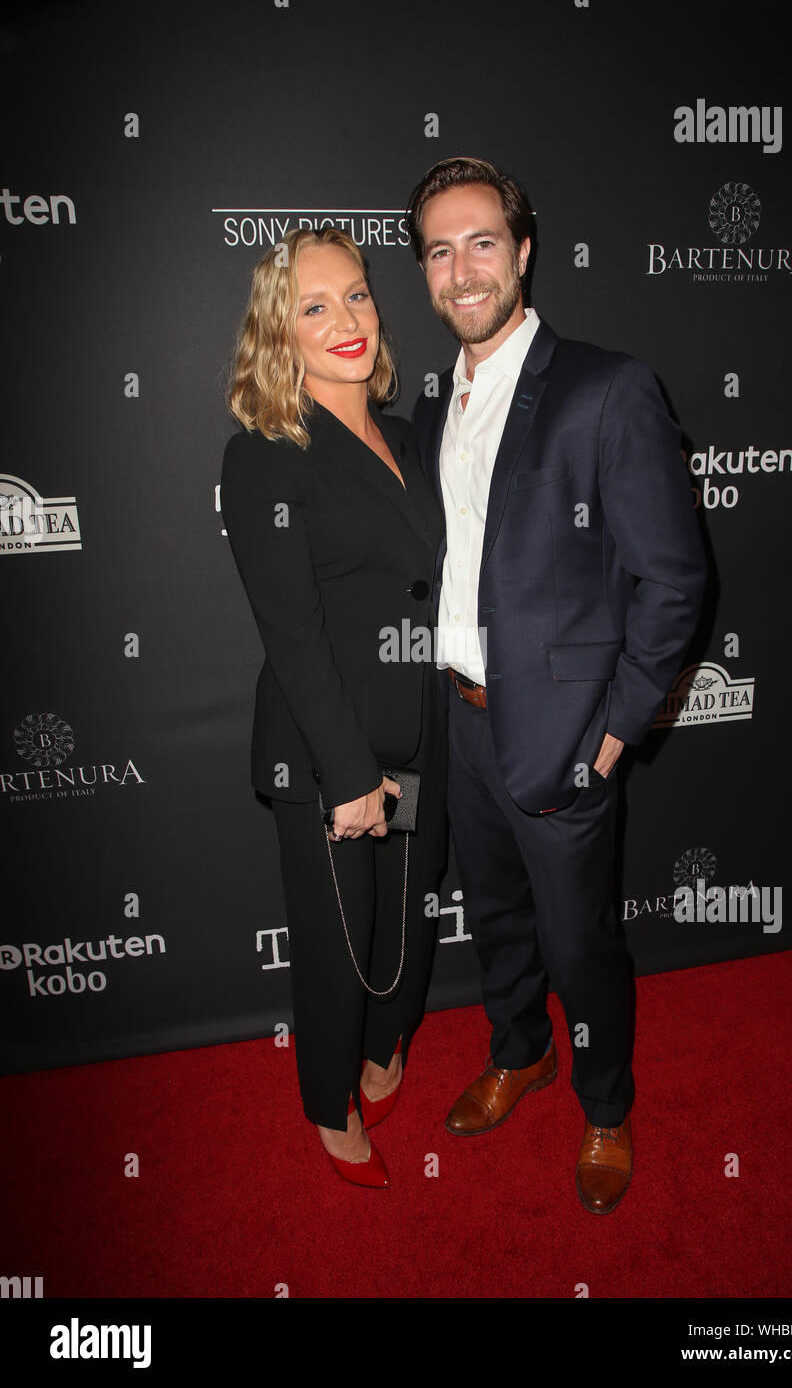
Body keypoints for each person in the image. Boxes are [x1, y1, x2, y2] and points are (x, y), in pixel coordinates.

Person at [407, 157, 706, 1214]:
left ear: (523, 250)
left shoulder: (605, 386)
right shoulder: (438, 397)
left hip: (568, 731)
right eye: (438, 250)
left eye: (480, 240)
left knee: (580, 941)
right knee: (494, 919)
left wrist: (616, 731)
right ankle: (518, 1049)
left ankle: (604, 1105)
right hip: (464, 719)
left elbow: (673, 580)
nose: (461, 267)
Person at [220, 227, 447, 1188]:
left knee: (407, 927)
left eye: (356, 295)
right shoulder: (264, 455)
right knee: (337, 946)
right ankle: (328, 1104)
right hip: (328, 754)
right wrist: (349, 778)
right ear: (281, 332)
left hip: (428, 730)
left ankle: (387, 1049)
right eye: (315, 306)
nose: (346, 320)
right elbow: (294, 634)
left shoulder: (409, 437)